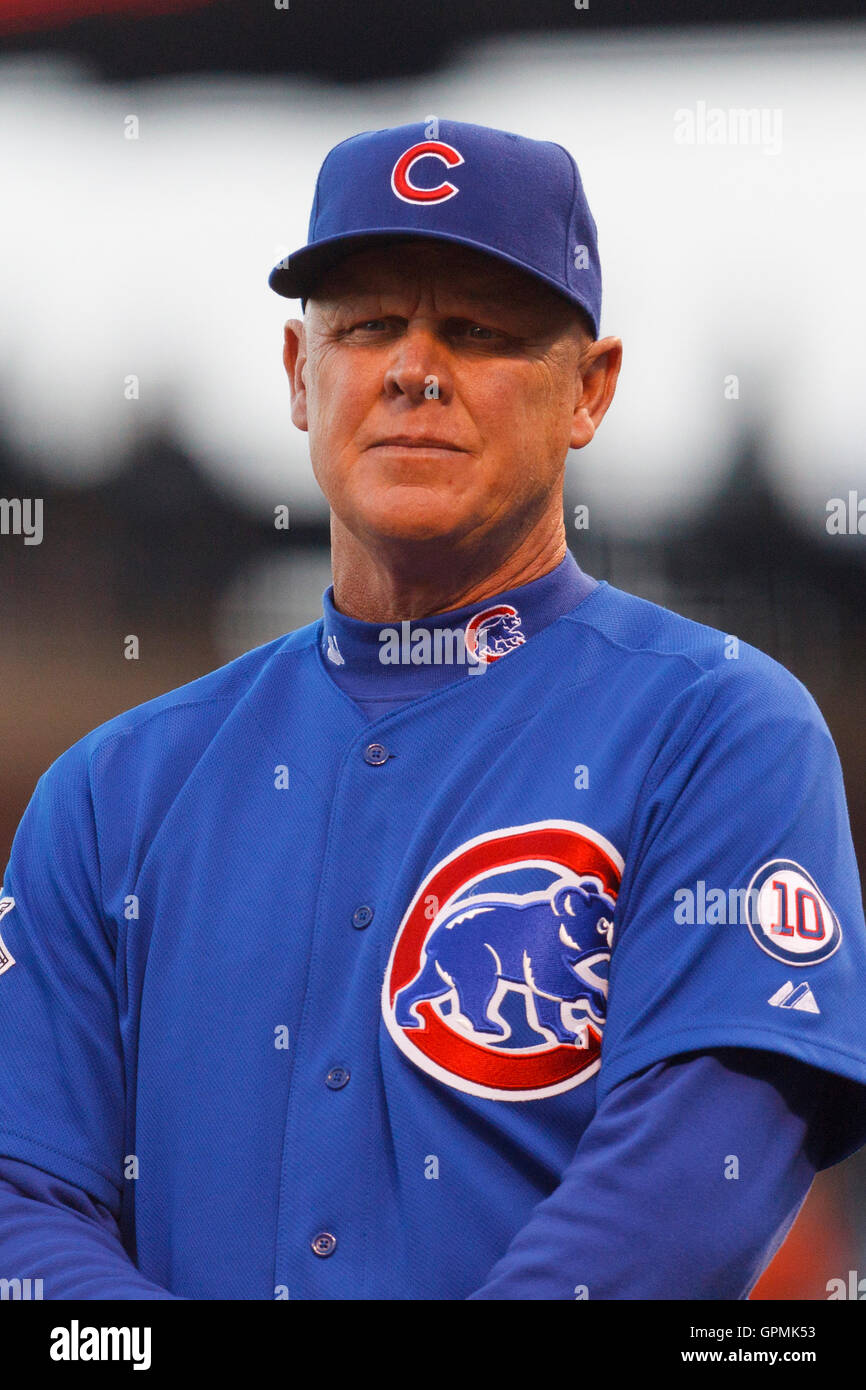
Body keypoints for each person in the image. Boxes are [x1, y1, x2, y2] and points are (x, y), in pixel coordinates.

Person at [1, 119, 865, 1301]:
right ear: (300, 378)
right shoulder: (111, 794)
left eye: (477, 330)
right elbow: (22, 1205)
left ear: (589, 391)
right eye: (365, 327)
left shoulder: (717, 730)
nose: (415, 367)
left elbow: (680, 1194)